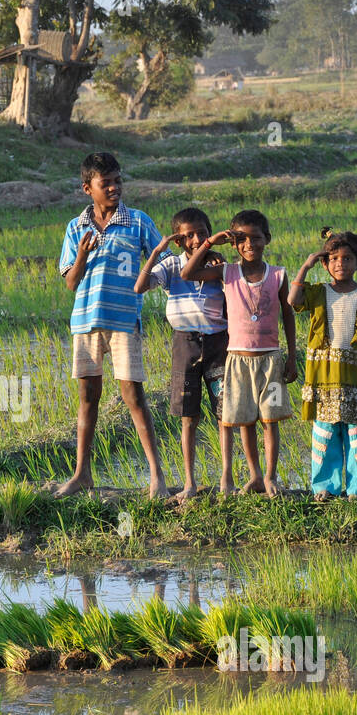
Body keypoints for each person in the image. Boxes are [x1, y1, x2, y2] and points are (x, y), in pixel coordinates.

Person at [56, 151, 169, 499]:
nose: (115, 188)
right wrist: (81, 257)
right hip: (87, 321)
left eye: (118, 181)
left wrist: (151, 283)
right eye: (106, 183)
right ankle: (81, 474)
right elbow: (71, 282)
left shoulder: (137, 222)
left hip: (124, 322)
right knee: (88, 396)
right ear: (87, 188)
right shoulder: (76, 228)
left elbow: (164, 263)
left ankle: (157, 478)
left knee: (134, 396)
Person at [180, 209, 297, 496]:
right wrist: (210, 242)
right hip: (237, 360)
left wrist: (292, 356)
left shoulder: (279, 275)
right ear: (233, 244)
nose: (249, 245)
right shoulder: (227, 272)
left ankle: (270, 477)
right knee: (244, 421)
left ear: (267, 239)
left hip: (270, 359)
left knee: (270, 421)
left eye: (255, 238)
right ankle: (255, 476)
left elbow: (288, 313)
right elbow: (188, 273)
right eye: (241, 239)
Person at [288, 227, 357, 498]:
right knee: (325, 433)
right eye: (334, 259)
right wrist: (305, 266)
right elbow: (292, 300)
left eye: (347, 258)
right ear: (325, 264)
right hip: (325, 377)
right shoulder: (317, 293)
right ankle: (325, 487)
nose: (341, 264)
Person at [135, 207, 226, 503]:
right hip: (185, 344)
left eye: (202, 233)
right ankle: (189, 482)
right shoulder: (172, 265)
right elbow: (140, 286)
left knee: (225, 415)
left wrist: (219, 261)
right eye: (189, 236)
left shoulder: (218, 265)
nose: (196, 239)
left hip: (218, 344)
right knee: (189, 416)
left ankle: (227, 479)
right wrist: (157, 250)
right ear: (178, 241)